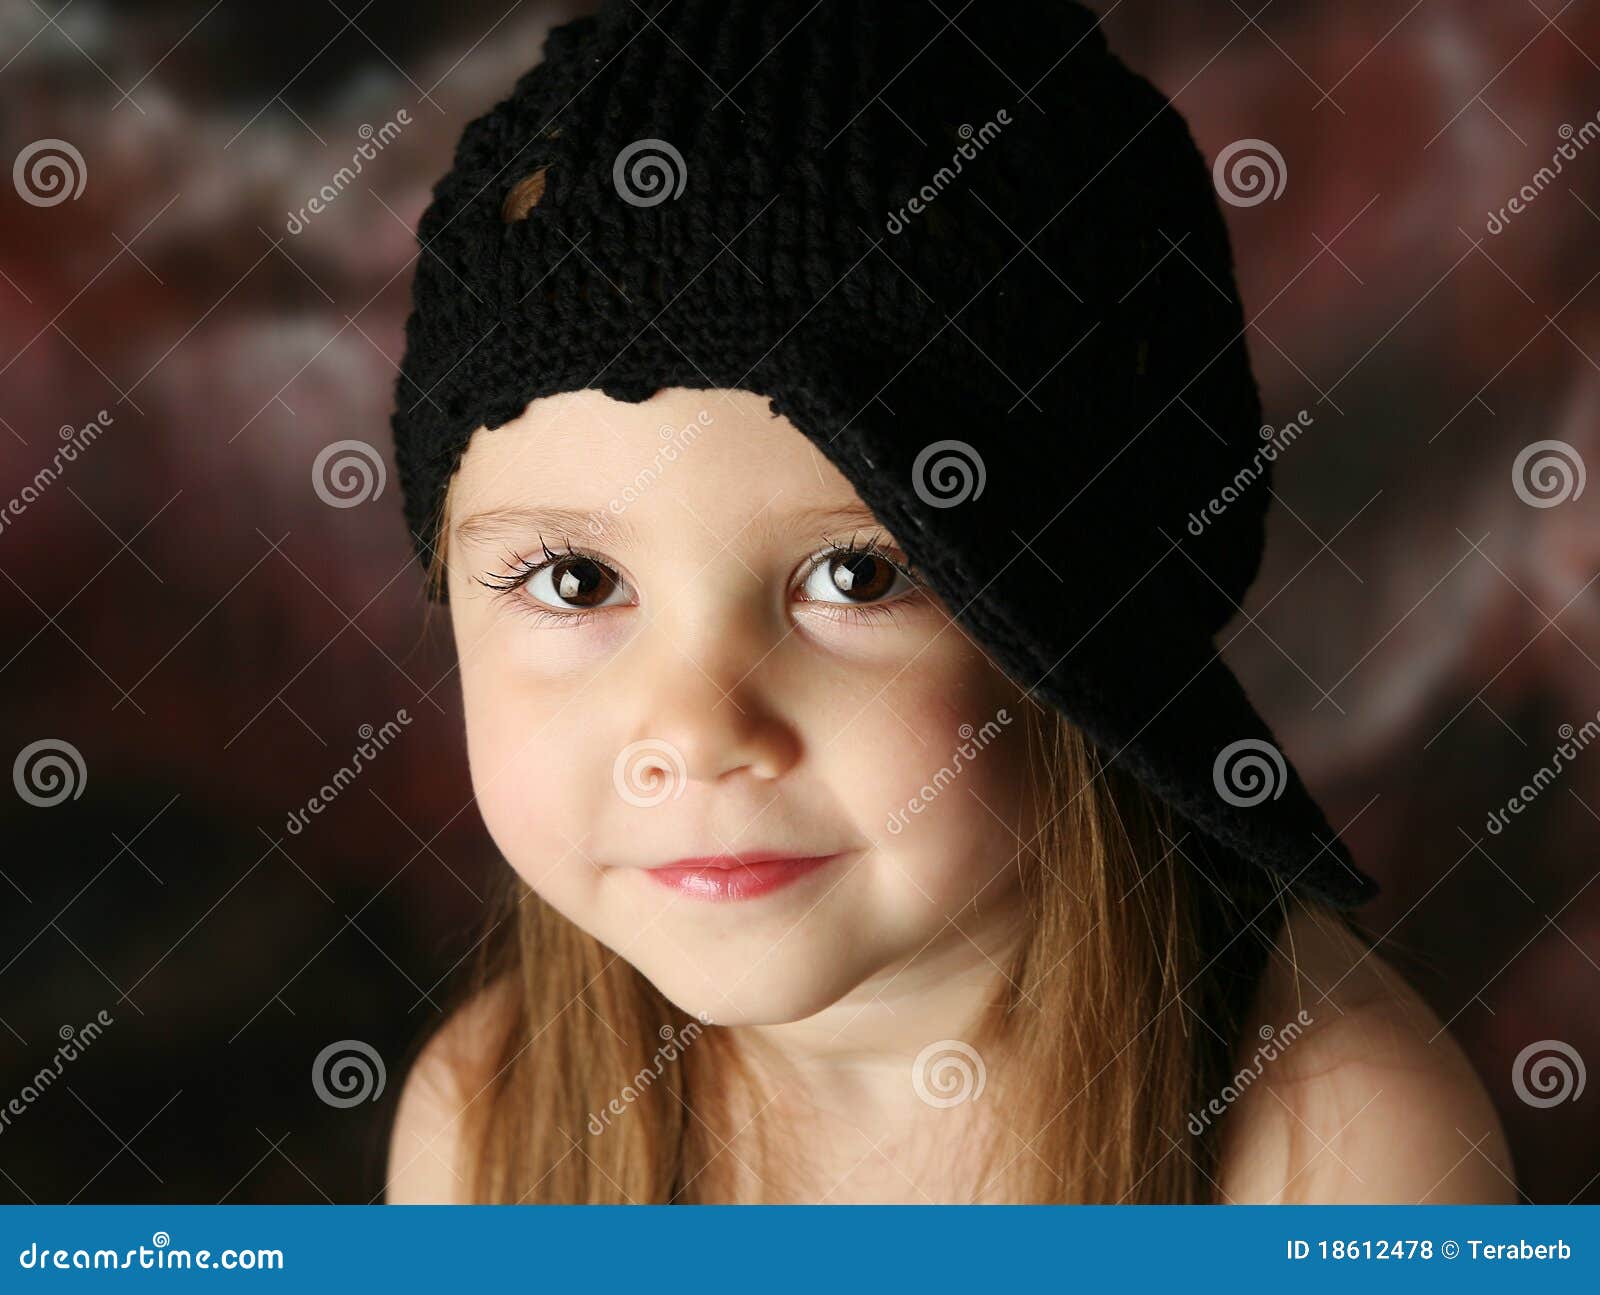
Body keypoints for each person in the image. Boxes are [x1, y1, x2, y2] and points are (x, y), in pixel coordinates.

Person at [381, 0, 1514, 1204]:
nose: (697, 731)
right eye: (577, 579)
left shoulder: (1335, 1145)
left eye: (857, 574)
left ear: (1089, 633)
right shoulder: (489, 1121)